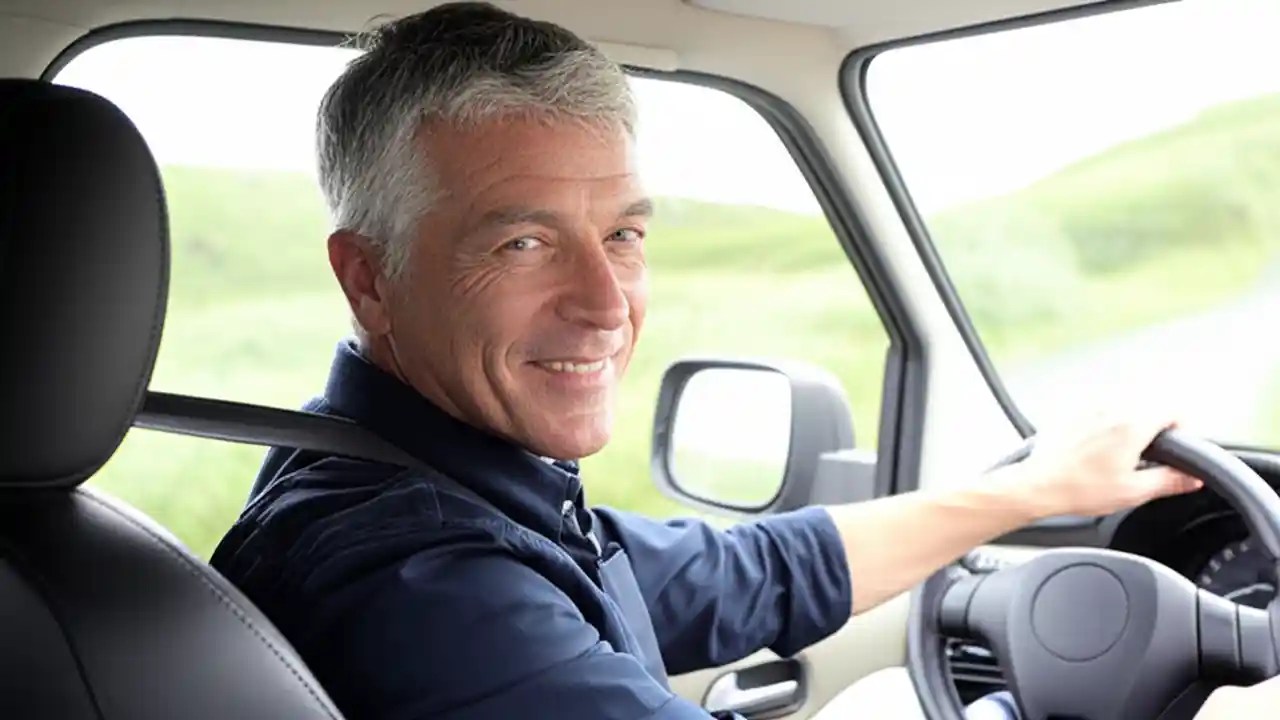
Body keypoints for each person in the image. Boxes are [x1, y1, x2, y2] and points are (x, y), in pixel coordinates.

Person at [209, 3, 1280, 718]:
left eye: (623, 235)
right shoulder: (427, 590)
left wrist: (1032, 491)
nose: (606, 305)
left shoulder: (439, 482)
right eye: (521, 242)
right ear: (370, 279)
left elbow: (757, 573)